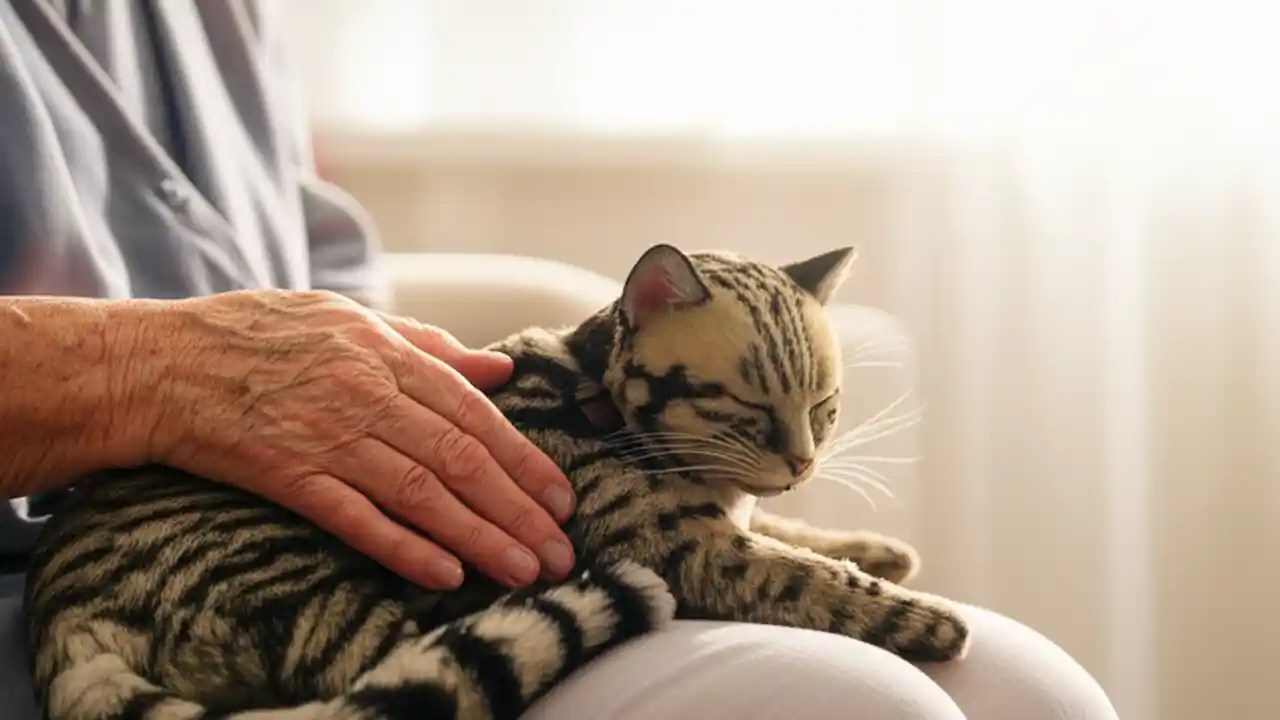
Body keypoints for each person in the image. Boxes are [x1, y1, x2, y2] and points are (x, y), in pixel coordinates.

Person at [0, 2, 1119, 718]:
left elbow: (326, 277)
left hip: (348, 556)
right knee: (869, 708)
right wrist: (139, 370)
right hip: (95, 592)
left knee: (1028, 690)